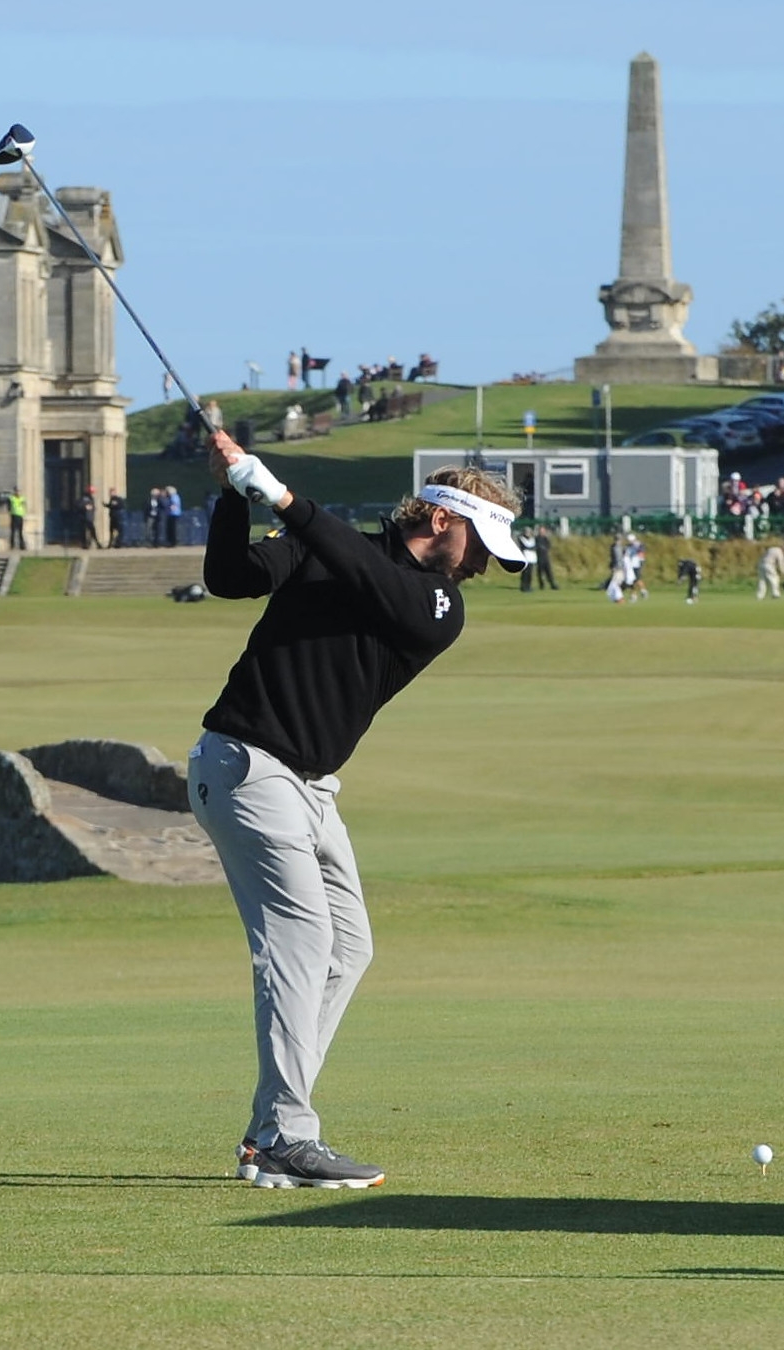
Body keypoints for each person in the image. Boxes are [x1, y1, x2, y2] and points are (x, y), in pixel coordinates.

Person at [195, 439, 530, 1190]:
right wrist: (232, 494)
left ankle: (268, 1128)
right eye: (482, 545)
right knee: (304, 942)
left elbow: (370, 577)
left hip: (312, 789)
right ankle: (287, 1134)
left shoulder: (439, 606)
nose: (484, 566)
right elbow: (231, 578)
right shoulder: (330, 549)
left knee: (349, 946)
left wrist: (280, 497)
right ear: (444, 520)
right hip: (248, 767)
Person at [531, 525, 559, 590]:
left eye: (543, 531)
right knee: (540, 572)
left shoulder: (546, 539)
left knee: (549, 572)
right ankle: (541, 585)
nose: (542, 532)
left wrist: (545, 548)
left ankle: (552, 584)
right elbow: (535, 547)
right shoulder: (536, 539)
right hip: (539, 557)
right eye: (541, 531)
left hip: (545, 557)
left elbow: (548, 546)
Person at [78, 485, 100, 550]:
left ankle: (95, 543)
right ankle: (84, 544)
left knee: (92, 531)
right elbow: (79, 506)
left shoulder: (91, 498)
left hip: (89, 518)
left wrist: (93, 508)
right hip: (84, 518)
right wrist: (85, 507)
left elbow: (92, 507)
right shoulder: (84, 498)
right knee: (84, 531)